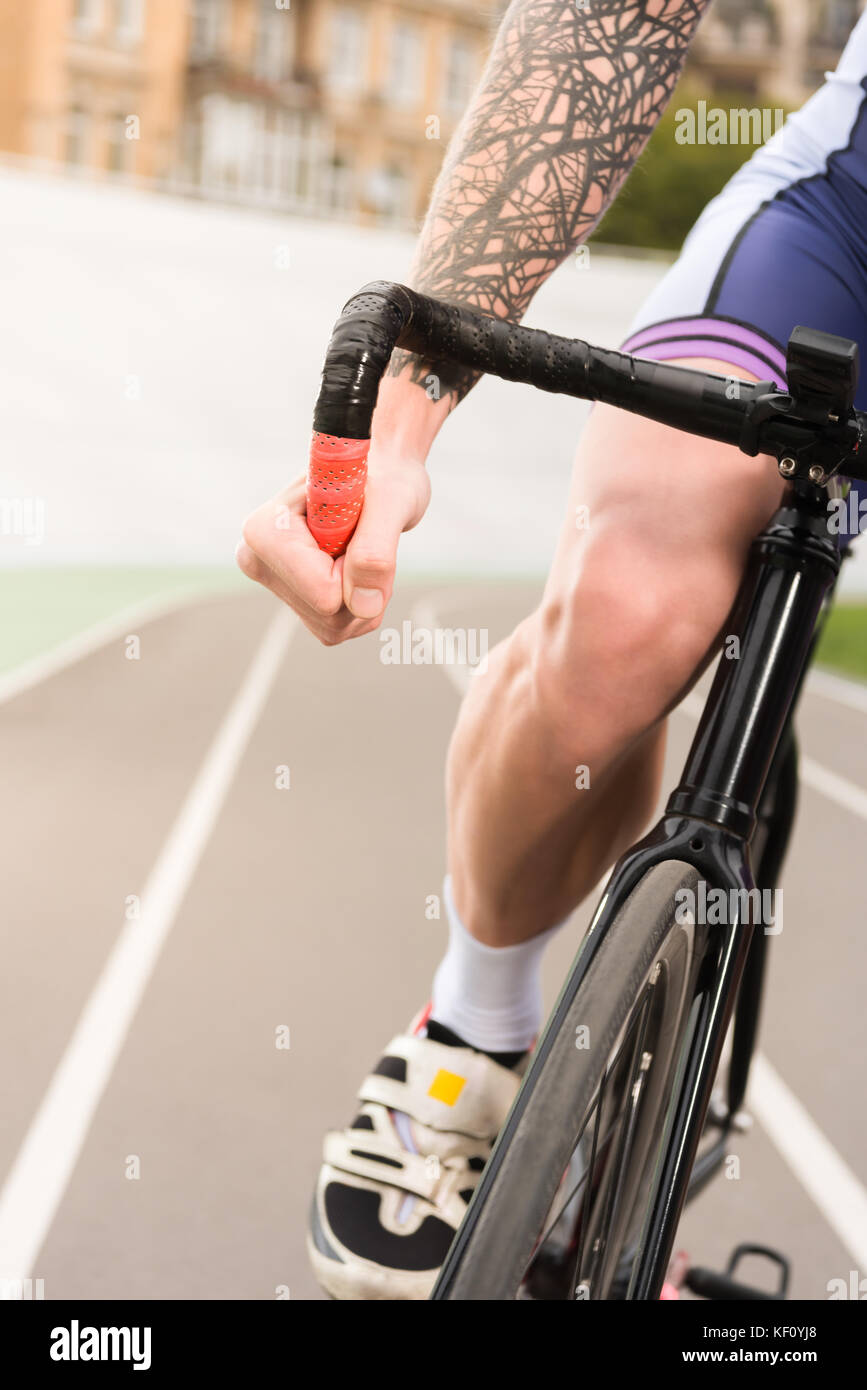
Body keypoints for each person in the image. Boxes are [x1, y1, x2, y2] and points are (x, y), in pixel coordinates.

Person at [237, 0, 867, 1299]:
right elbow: (610, 21)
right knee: (628, 609)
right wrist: (399, 427)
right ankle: (473, 1028)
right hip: (849, 231)